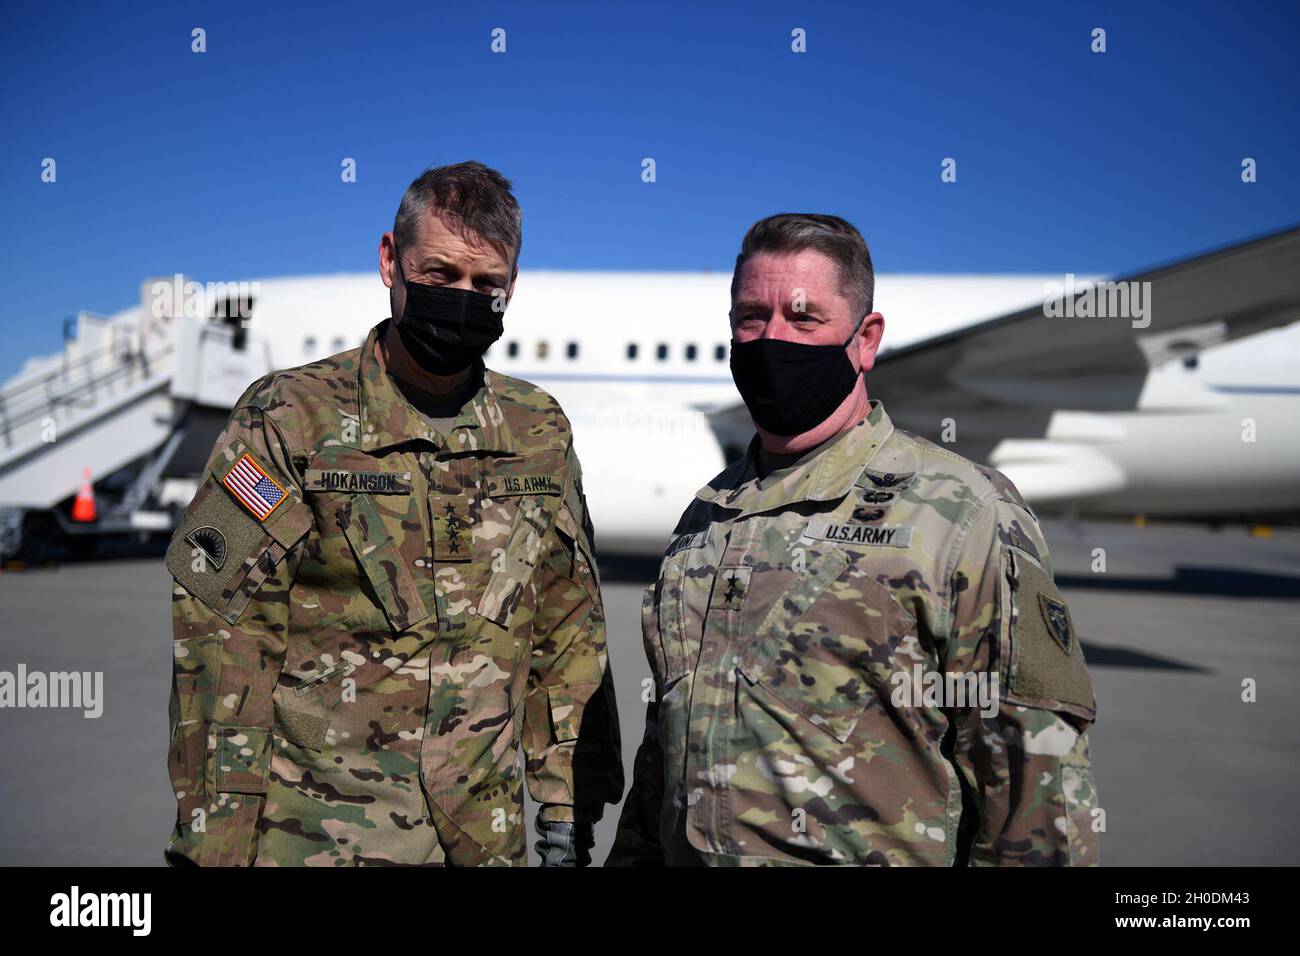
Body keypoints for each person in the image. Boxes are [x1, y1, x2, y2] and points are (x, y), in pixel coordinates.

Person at [164, 161, 622, 866]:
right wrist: (213, 843)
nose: (464, 298)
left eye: (486, 284)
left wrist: (566, 810)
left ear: (510, 286)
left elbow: (569, 632)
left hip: (482, 840)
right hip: (313, 839)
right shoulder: (287, 415)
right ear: (390, 261)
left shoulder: (539, 431)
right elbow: (219, 637)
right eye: (439, 275)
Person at [608, 213, 1098, 866]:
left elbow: (1038, 798)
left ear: (865, 341)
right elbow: (667, 758)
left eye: (803, 319)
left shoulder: (962, 514)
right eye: (750, 316)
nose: (770, 338)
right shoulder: (707, 517)